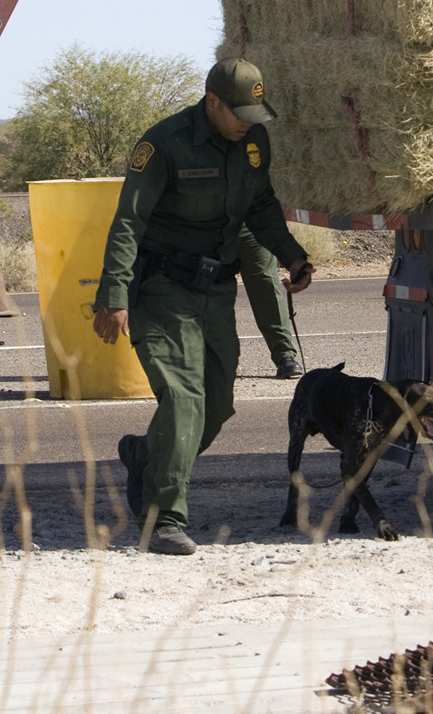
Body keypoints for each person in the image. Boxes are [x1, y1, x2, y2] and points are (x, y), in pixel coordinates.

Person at [93, 58, 314, 555]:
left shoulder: (253, 140)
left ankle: (144, 456)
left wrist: (293, 255)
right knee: (184, 398)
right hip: (162, 287)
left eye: (255, 113)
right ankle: (164, 517)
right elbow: (128, 222)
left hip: (215, 288)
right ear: (212, 102)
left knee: (214, 406)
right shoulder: (164, 144)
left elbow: (260, 205)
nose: (248, 123)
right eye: (240, 112)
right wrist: (113, 296)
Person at [238, 226, 303, 379]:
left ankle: (285, 356)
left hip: (251, 225)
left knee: (266, 288)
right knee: (209, 292)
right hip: (207, 226)